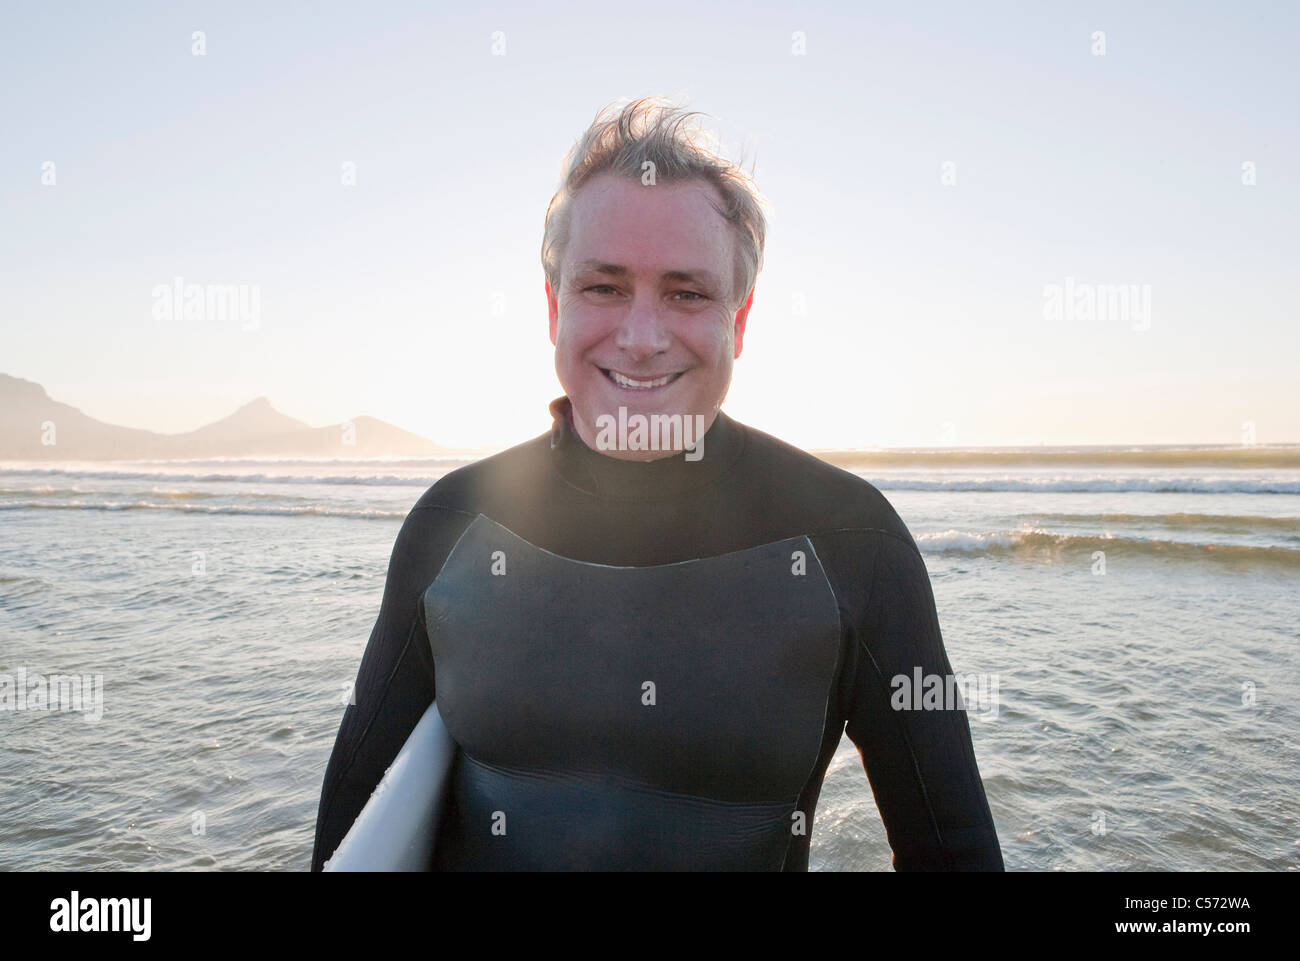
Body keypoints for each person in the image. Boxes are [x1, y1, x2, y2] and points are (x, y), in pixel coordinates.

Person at [310, 97, 1004, 871]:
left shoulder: (852, 541)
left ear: (738, 322)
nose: (641, 339)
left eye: (686, 292)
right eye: (604, 287)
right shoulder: (451, 524)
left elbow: (958, 852)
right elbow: (347, 836)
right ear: (553, 308)